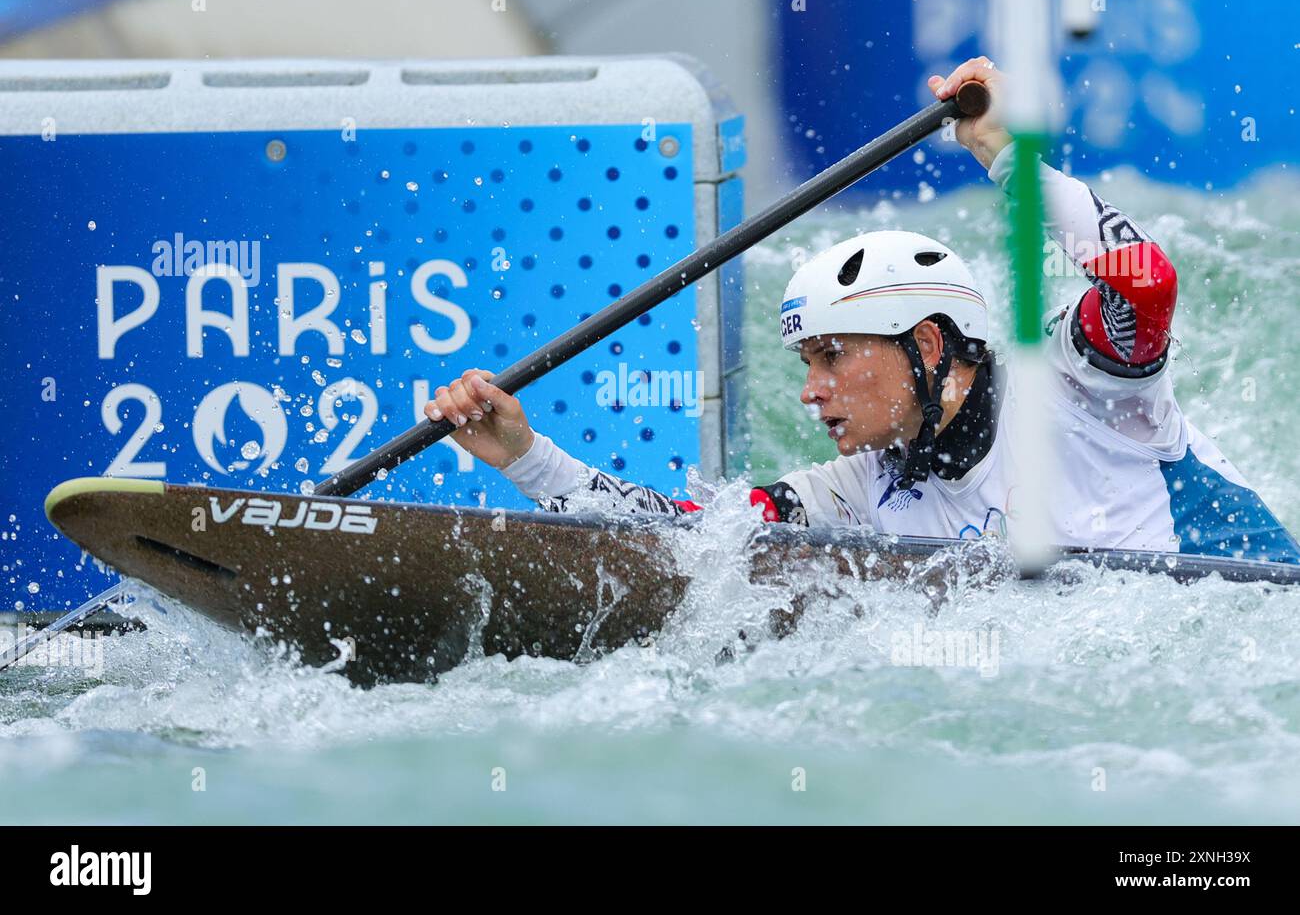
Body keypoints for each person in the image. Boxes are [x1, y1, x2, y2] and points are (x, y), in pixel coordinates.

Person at [424, 57, 1300, 565]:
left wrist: (1001, 154)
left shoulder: (1080, 380)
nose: (812, 391)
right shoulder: (859, 488)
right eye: (808, 364)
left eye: (832, 357)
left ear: (927, 342)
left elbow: (1141, 281)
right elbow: (693, 536)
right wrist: (526, 458)